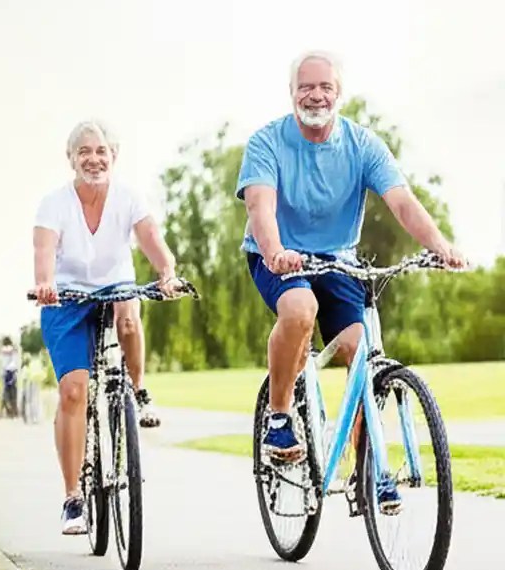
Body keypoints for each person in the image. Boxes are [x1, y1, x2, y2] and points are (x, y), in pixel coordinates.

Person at [236, 50, 466, 511]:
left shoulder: (362, 144)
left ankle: (368, 469)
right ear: (291, 92)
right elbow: (260, 207)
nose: (315, 96)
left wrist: (440, 245)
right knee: (300, 309)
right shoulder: (267, 142)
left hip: (340, 260)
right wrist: (276, 252)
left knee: (362, 351)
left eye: (325, 87)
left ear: (339, 93)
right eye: (306, 86)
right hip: (280, 258)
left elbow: (402, 202)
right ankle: (279, 415)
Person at [32, 119, 182, 535]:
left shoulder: (129, 197)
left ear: (114, 157)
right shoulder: (53, 204)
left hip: (116, 285)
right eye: (84, 152)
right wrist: (44, 283)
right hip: (66, 296)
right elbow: (43, 250)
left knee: (128, 316)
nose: (93, 159)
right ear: (71, 159)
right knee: (73, 390)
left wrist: (167, 273)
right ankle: (73, 498)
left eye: (101, 151)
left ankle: (138, 389)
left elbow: (152, 240)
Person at [0, 336, 20, 417]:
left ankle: (7, 411)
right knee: (13, 393)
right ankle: (14, 411)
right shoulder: (13, 350)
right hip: (12, 372)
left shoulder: (3, 350)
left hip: (6, 372)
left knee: (6, 392)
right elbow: (15, 361)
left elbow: (3, 363)